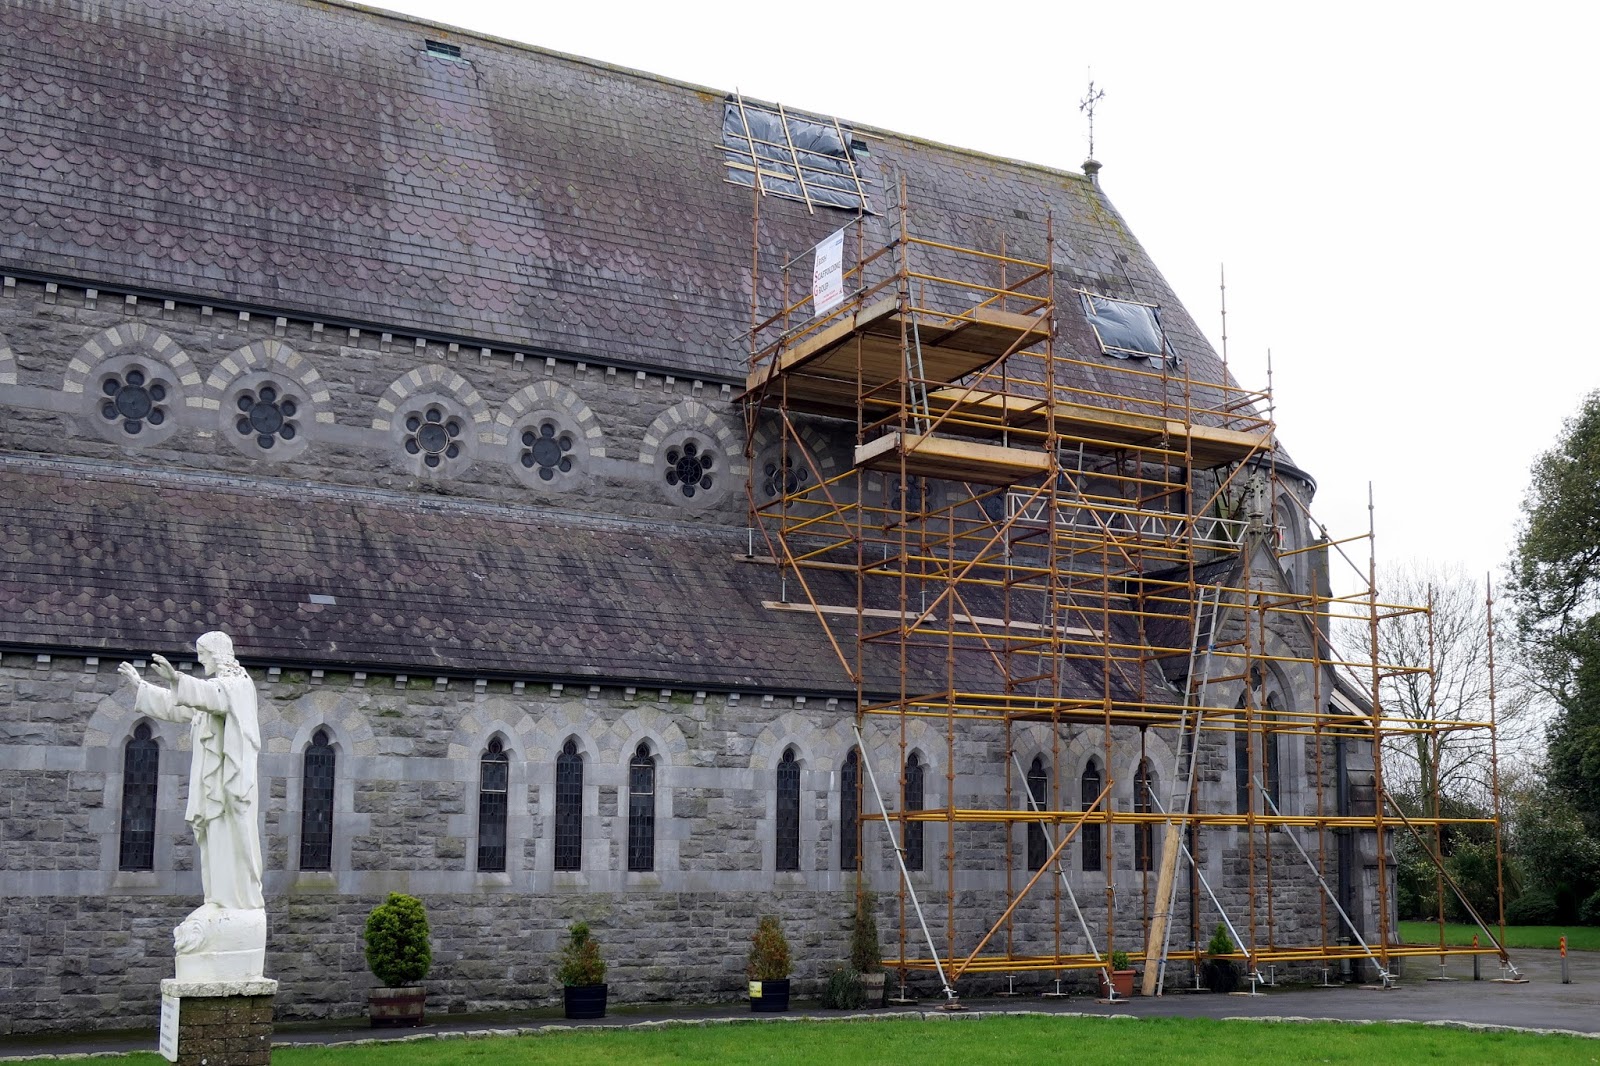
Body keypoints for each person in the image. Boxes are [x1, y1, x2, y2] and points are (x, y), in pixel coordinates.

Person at [118, 632, 264, 912]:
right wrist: (141, 685)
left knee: (228, 839)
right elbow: (179, 707)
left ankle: (237, 901)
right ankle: (219, 899)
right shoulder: (214, 692)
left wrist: (177, 679)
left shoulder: (237, 686)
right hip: (213, 788)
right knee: (211, 839)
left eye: (203, 653)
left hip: (229, 788)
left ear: (217, 653)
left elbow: (212, 696)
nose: (199, 659)